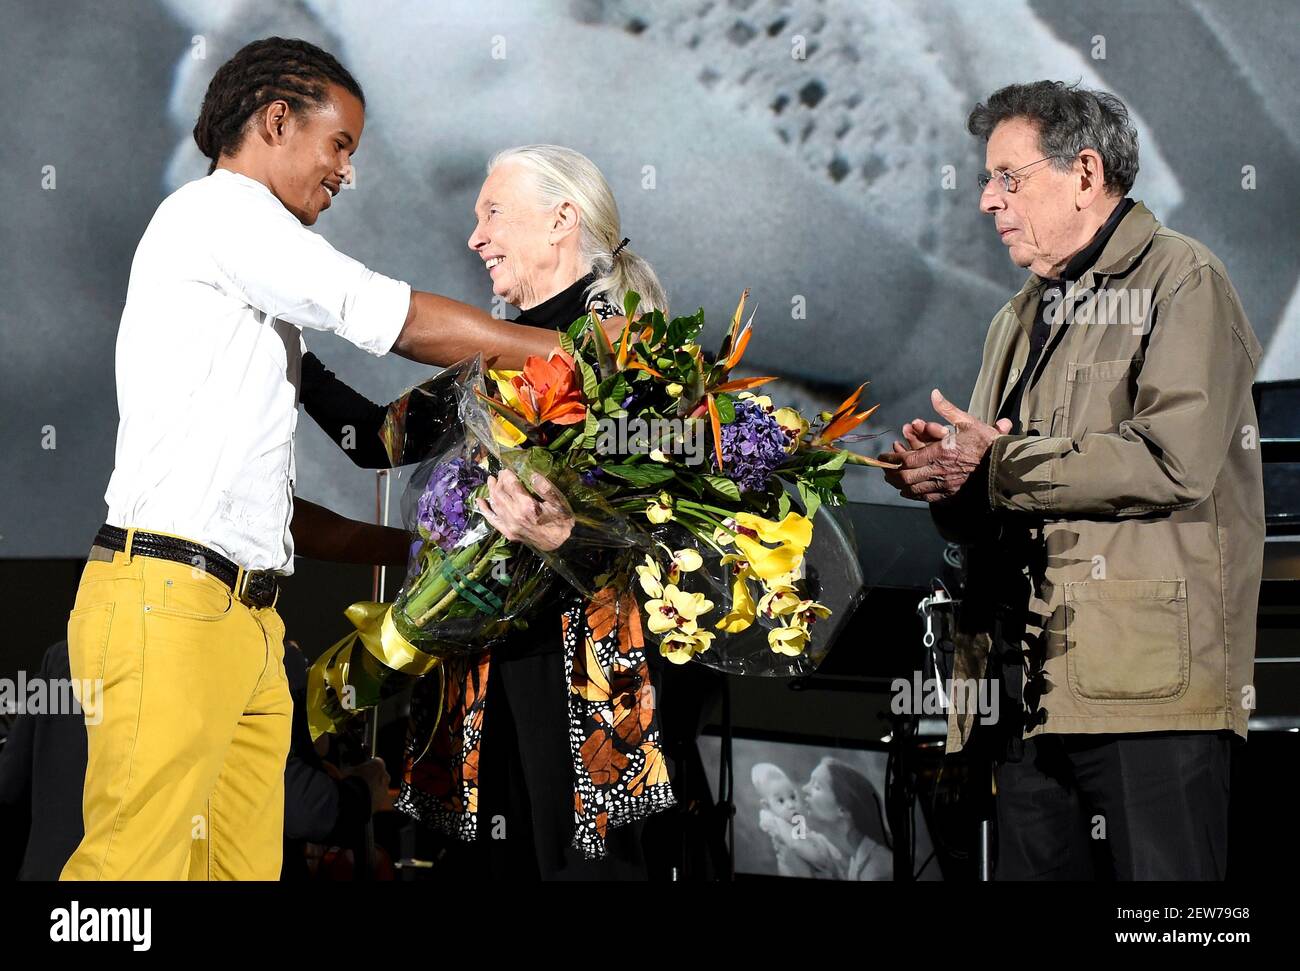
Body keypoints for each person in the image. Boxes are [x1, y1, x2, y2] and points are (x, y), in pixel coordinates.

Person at [61, 37, 576, 882]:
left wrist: (416, 550)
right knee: (130, 878)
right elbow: (389, 316)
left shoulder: (252, 301)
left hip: (243, 619)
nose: (346, 172)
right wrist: (572, 351)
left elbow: (274, 505)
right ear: (274, 120)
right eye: (340, 145)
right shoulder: (223, 216)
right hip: (169, 605)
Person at [881, 81, 1263, 880]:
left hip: (1146, 697)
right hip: (1027, 694)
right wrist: (950, 485)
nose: (986, 200)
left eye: (1007, 177)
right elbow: (998, 491)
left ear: (1085, 173)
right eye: (987, 180)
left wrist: (997, 465)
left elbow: (1172, 460)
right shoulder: (1015, 317)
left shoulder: (1184, 282)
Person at [389, 144, 721, 880]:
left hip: (593, 686)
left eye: (493, 212)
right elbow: (375, 437)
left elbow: (683, 549)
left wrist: (571, 536)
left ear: (562, 219)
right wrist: (281, 332)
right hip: (493, 673)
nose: (474, 237)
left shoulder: (640, 350)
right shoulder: (494, 361)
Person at [802, 758, 891, 881]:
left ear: (843, 809)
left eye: (817, 787)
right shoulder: (856, 859)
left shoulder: (877, 869)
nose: (804, 788)